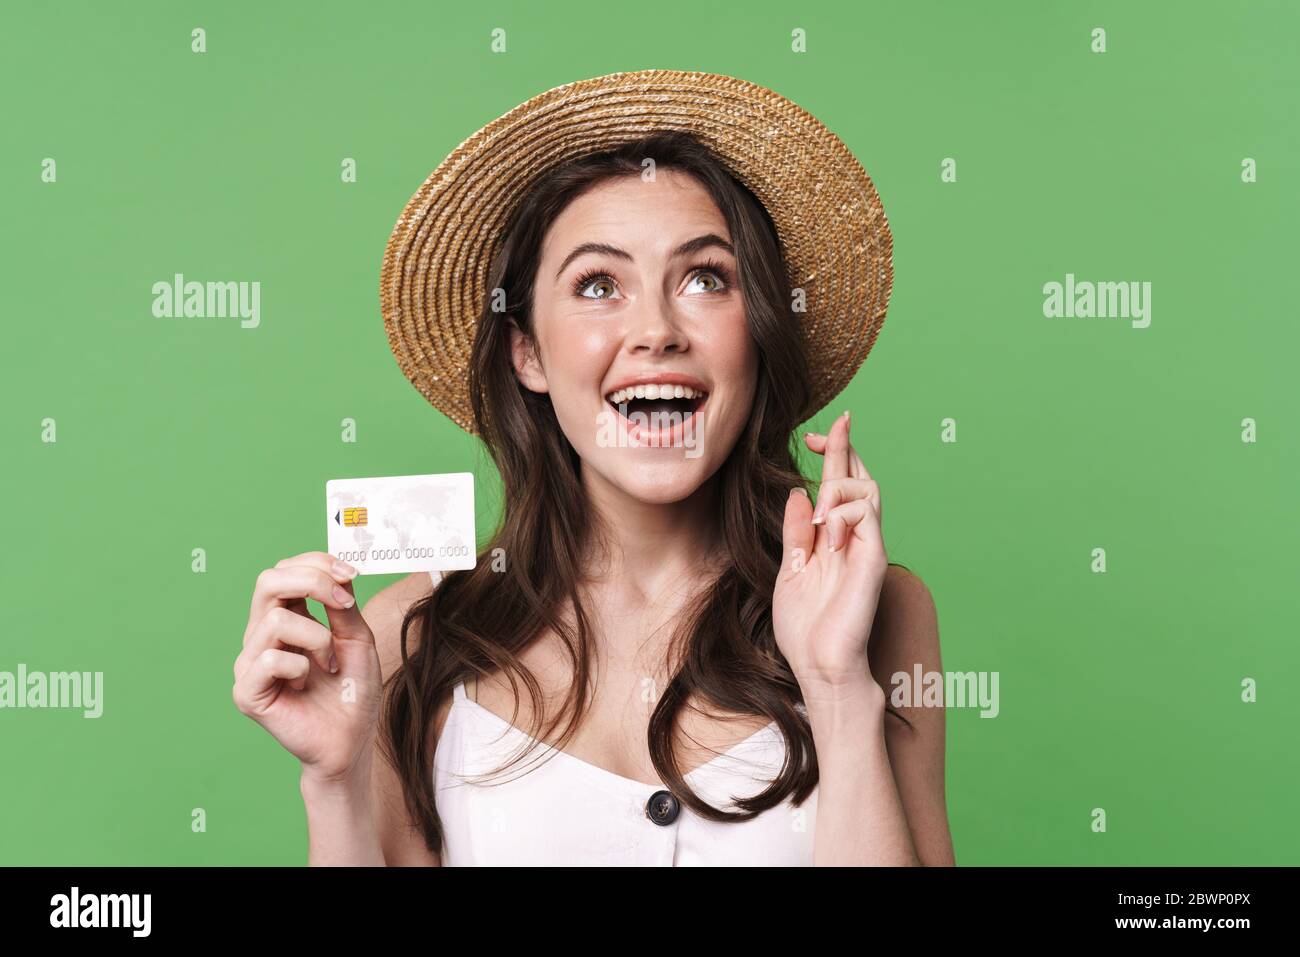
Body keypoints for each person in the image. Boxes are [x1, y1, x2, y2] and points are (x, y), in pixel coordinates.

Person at [233, 71, 954, 866]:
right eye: (599, 284)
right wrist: (334, 784)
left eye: (706, 278)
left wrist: (837, 687)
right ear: (528, 351)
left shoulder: (877, 609)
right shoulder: (410, 637)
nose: (656, 330)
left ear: (758, 333)